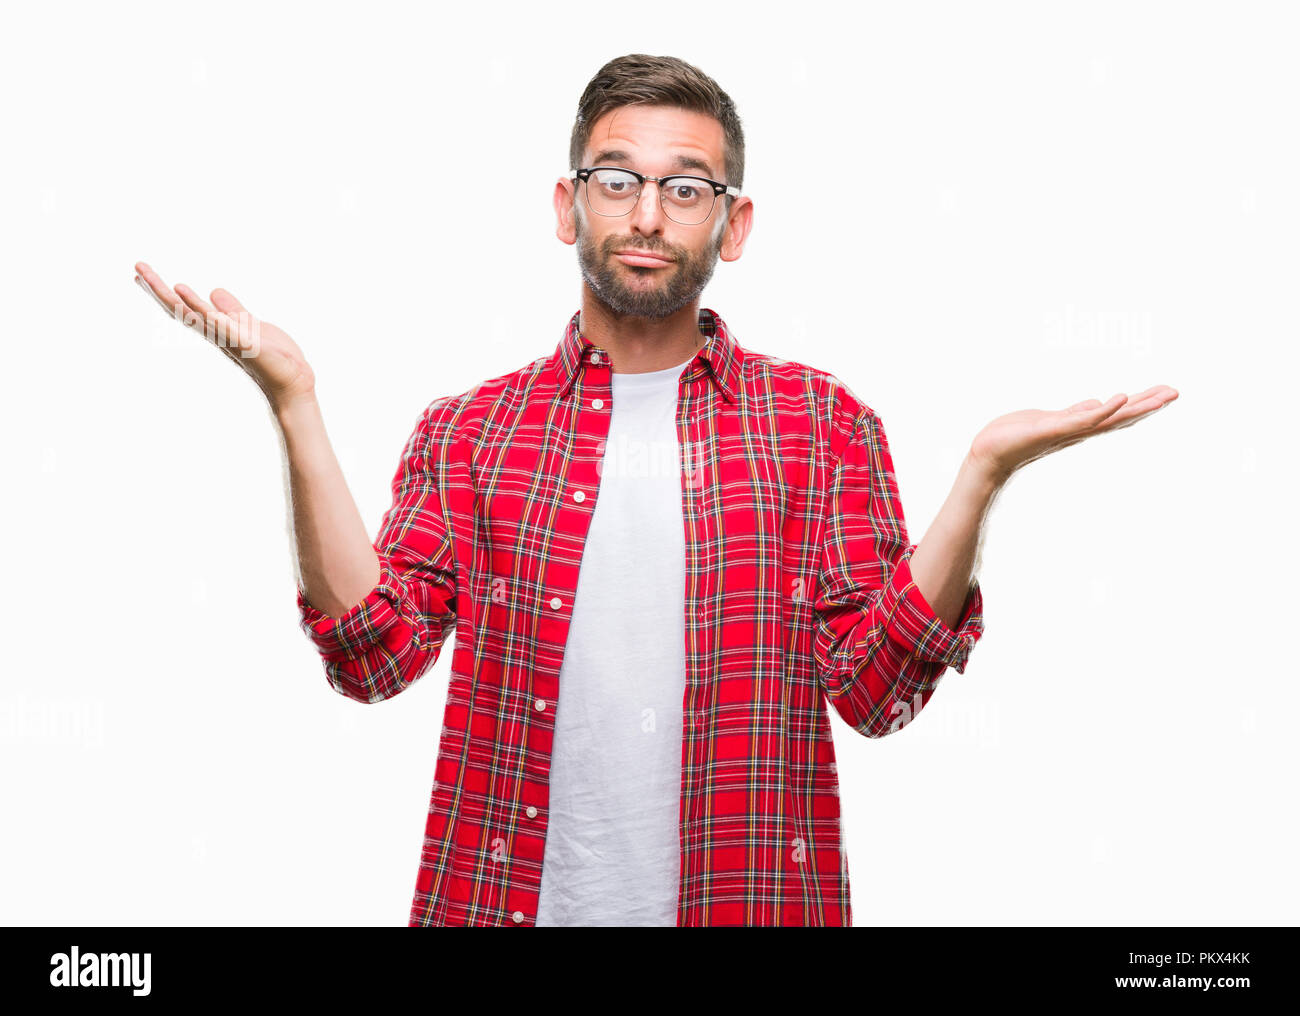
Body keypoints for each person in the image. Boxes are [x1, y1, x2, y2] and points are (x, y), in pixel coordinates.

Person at [132, 53, 1178, 927]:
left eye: (686, 188)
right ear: (566, 202)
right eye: (616, 179)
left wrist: (981, 476)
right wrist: (295, 404)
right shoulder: (470, 431)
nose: (646, 214)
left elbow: (873, 690)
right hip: (500, 900)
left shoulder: (820, 425)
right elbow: (373, 656)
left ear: (732, 224)